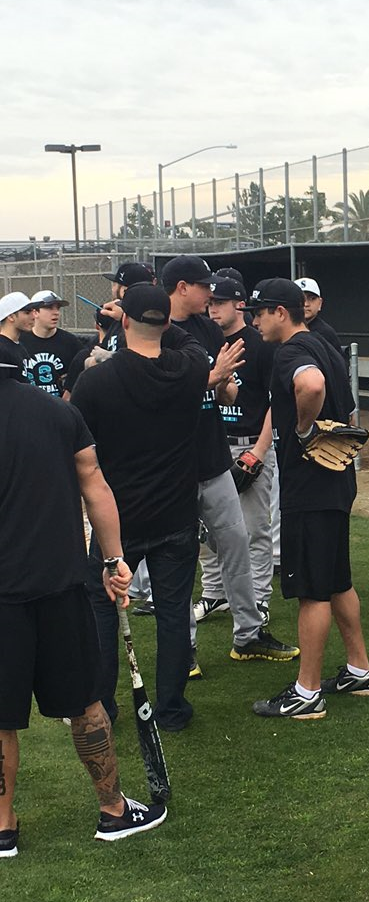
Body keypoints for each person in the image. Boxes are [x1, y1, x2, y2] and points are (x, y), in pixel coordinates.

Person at [0, 359, 166, 857]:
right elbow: (95, 484)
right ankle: (113, 812)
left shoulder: (59, 413)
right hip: (59, 585)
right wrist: (115, 558)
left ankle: (2, 827)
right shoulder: (57, 412)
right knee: (85, 704)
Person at [71, 283, 210, 732]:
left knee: (103, 611)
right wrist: (162, 322)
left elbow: (82, 453)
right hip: (175, 516)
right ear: (167, 322)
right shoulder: (188, 370)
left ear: (124, 321)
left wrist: (120, 317)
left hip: (119, 519)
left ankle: (103, 706)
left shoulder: (96, 380)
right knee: (172, 613)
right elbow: (191, 342)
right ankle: (170, 709)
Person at [161, 255, 299, 668]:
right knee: (180, 551)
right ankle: (183, 650)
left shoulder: (208, 330)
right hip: (173, 460)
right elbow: (157, 392)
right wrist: (209, 377)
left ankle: (249, 634)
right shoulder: (154, 329)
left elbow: (229, 394)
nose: (211, 294)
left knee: (237, 542)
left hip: (214, 454)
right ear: (182, 287)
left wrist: (222, 383)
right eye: (205, 286)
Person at [250, 278, 369, 720]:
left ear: (281, 313)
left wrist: (304, 430)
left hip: (311, 485)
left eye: (260, 311)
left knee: (313, 591)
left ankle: (306, 693)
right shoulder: (323, 340)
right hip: (335, 480)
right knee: (337, 580)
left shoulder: (291, 351)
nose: (255, 319)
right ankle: (360, 670)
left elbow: (311, 385)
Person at [194, 275, 276, 625]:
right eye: (210, 302)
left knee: (255, 529)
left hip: (249, 444)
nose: (212, 308)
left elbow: (278, 402)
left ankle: (259, 597)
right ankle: (214, 593)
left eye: (220, 302)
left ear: (239, 304)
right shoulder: (201, 341)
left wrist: (258, 451)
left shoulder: (259, 344)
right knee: (206, 530)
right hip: (213, 446)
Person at [21, 291, 84, 397]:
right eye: (50, 307)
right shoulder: (21, 341)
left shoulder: (70, 342)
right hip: (29, 406)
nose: (56, 312)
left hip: (60, 408)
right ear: (35, 312)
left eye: (58, 308)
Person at [295, 277, 343, 353]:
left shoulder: (326, 334)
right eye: (301, 299)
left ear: (320, 303)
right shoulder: (282, 330)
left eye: (312, 298)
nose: (306, 304)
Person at [0, 292, 35, 382]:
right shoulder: (2, 349)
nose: (33, 316)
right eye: (27, 313)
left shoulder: (19, 345)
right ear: (11, 317)